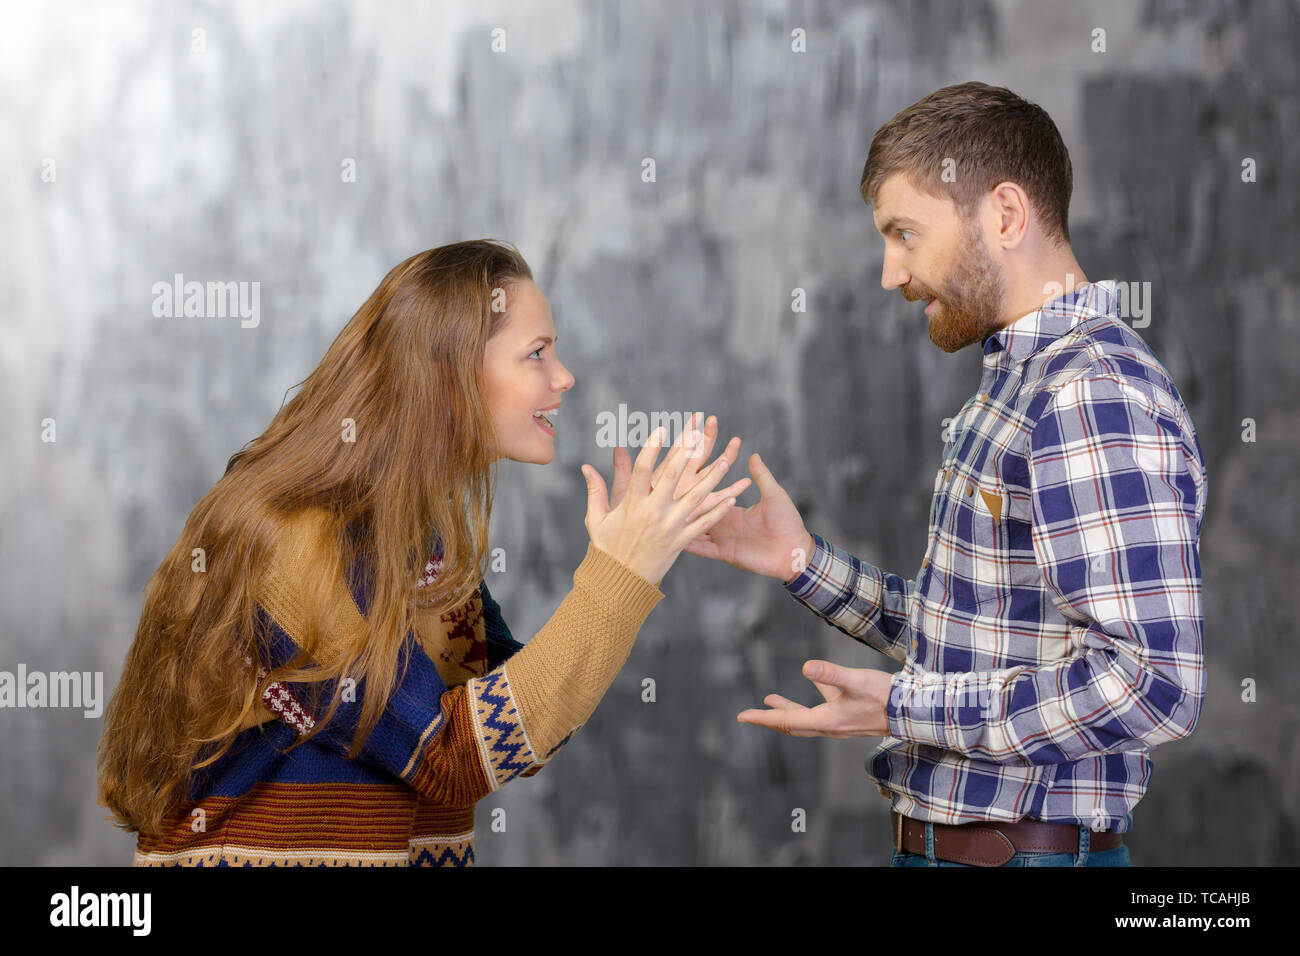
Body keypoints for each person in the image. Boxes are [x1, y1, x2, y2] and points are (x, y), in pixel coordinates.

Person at [97, 239, 751, 866]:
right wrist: (618, 575)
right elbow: (452, 756)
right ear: (447, 375)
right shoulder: (303, 537)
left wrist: (631, 563)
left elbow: (520, 734)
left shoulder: (423, 533)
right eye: (537, 353)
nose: (564, 376)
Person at [687, 82, 1207, 867]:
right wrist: (803, 564)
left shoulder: (1089, 391)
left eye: (904, 234)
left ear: (1004, 214)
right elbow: (979, 637)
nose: (891, 274)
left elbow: (1154, 685)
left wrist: (904, 707)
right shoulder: (1017, 385)